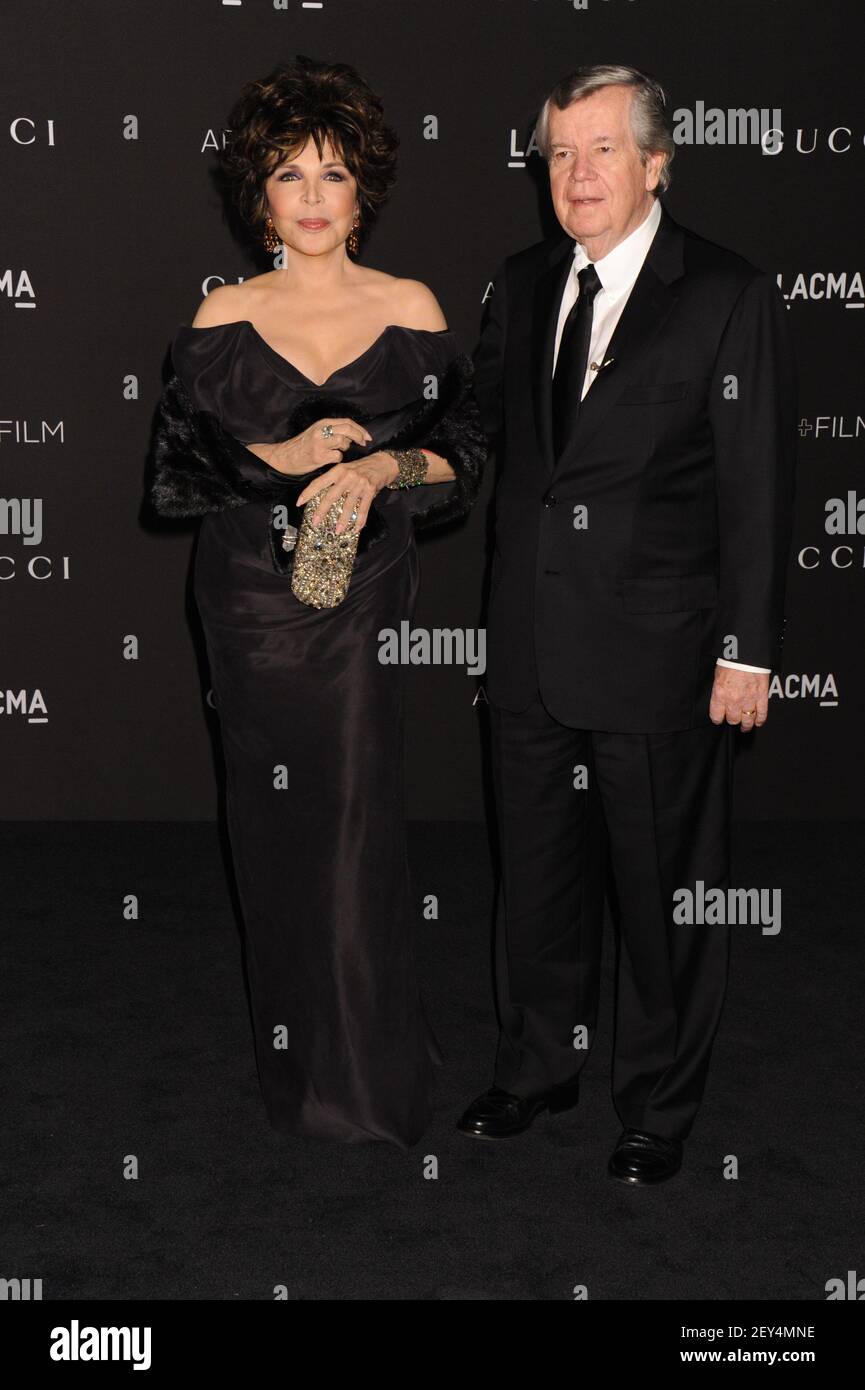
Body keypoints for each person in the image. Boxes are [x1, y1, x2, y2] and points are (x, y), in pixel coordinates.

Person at [460, 64, 797, 1183]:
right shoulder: (517, 284)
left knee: (661, 894)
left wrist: (746, 647)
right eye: (559, 152)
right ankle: (535, 1064)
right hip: (527, 652)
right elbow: (479, 454)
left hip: (659, 651)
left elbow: (755, 487)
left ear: (657, 163)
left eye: (602, 149)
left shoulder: (724, 293)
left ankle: (656, 1100)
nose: (576, 173)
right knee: (536, 877)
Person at [147, 56, 486, 1150]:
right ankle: (299, 1065)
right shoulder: (218, 319)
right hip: (248, 598)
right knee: (272, 821)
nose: (309, 195)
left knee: (351, 817)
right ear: (258, 194)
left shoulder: (413, 309)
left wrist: (385, 470)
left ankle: (368, 1077)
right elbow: (173, 477)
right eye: (288, 174)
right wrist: (279, 450)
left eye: (331, 175)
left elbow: (468, 454)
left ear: (362, 192)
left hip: (359, 599)